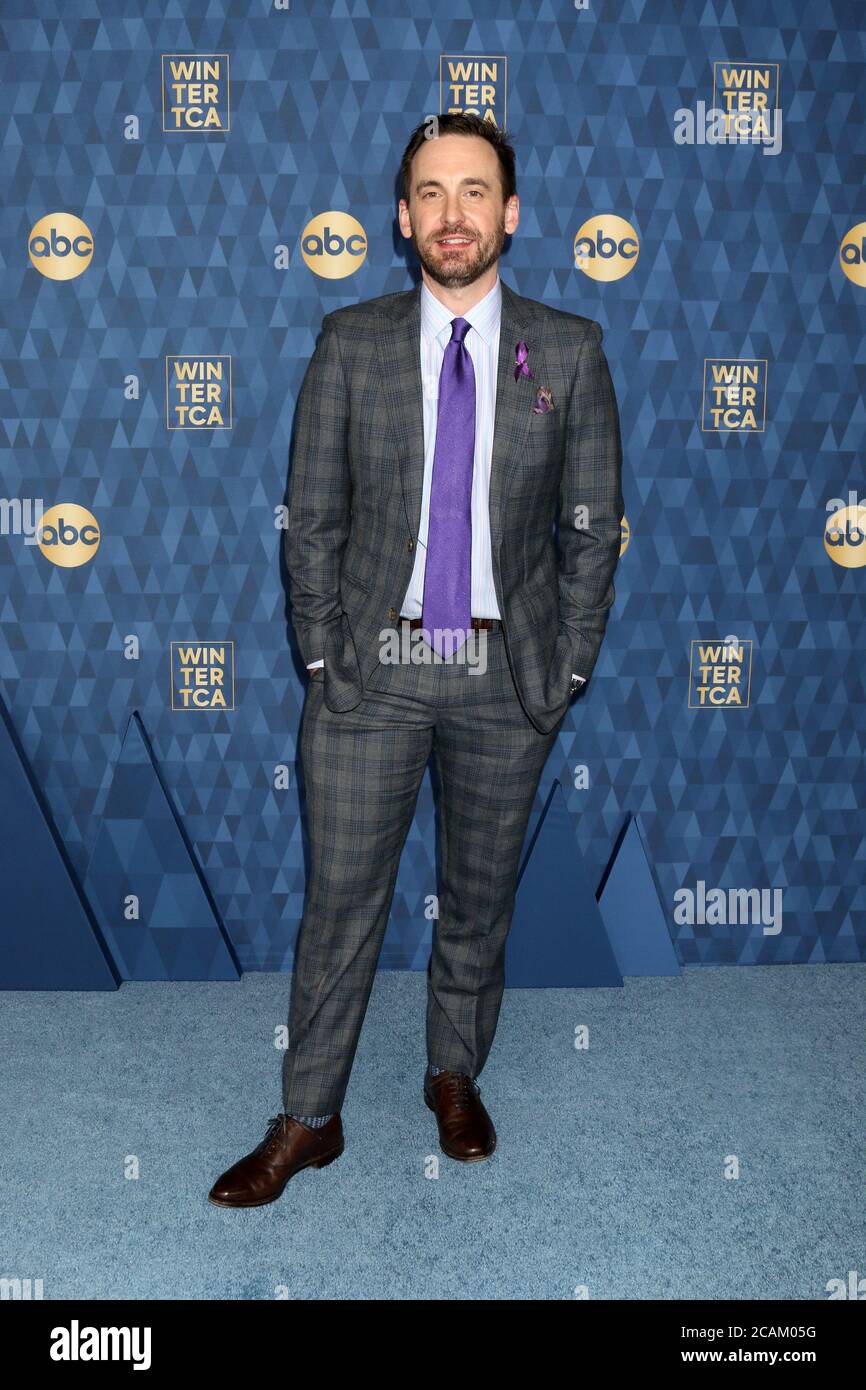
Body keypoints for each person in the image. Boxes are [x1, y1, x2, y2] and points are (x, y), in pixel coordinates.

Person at [208, 112, 623, 1208]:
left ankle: (452, 1073)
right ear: (401, 218)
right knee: (340, 902)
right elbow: (312, 521)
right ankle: (308, 1115)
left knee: (477, 902)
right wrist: (320, 659)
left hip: (506, 674)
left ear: (511, 213)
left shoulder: (567, 349)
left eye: (473, 191)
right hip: (371, 674)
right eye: (430, 194)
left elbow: (590, 527)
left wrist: (565, 667)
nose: (452, 214)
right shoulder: (348, 341)